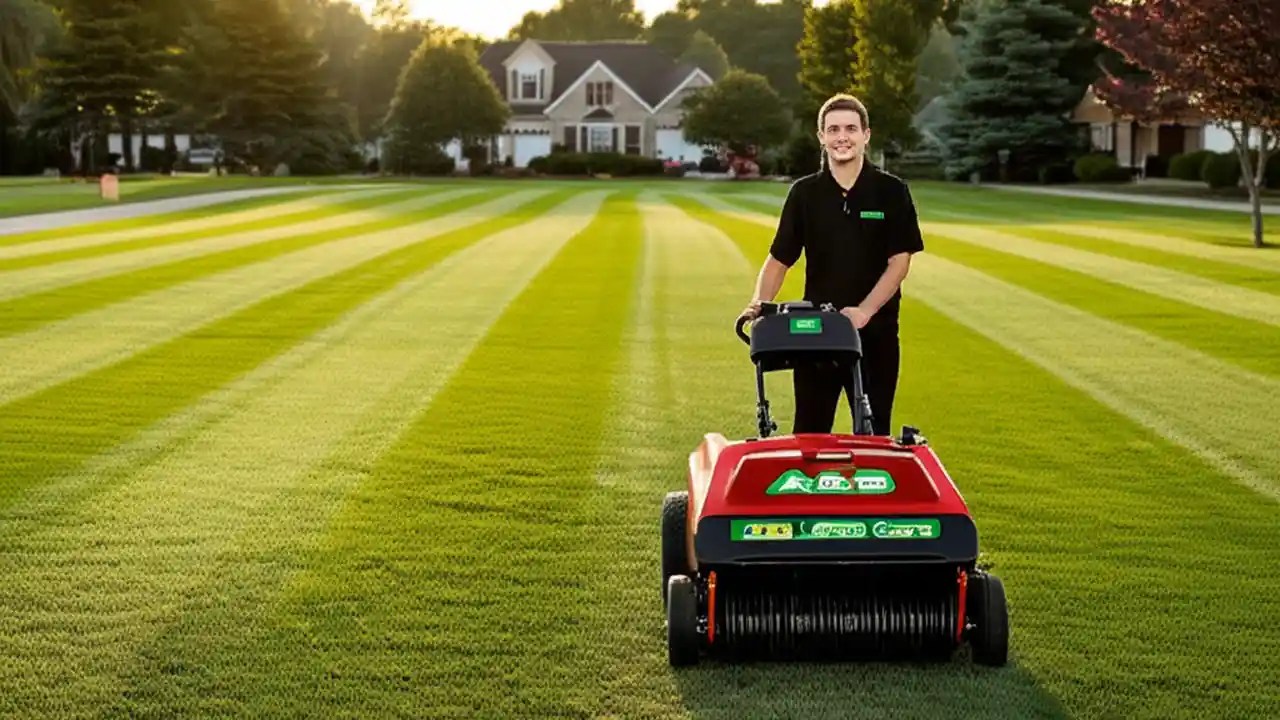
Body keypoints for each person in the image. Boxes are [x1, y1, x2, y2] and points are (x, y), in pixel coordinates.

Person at [739, 93, 924, 436]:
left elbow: (899, 263)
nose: (843, 137)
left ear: (866, 135)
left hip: (875, 334)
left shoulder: (891, 192)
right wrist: (759, 303)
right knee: (809, 430)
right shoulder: (805, 194)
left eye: (851, 129)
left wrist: (865, 311)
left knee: (873, 431)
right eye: (834, 129)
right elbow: (780, 259)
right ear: (821, 136)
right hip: (817, 335)